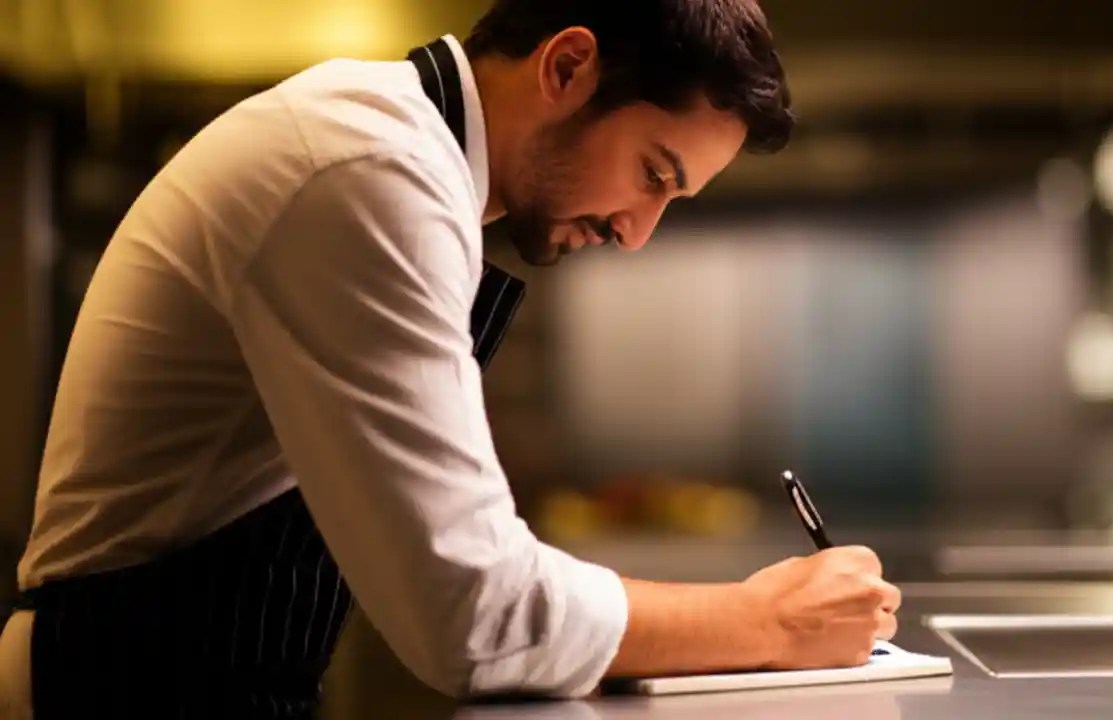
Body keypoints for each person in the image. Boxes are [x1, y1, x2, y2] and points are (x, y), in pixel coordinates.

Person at [0, 0, 900, 716]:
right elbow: (474, 614)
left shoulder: (400, 159)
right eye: (654, 174)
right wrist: (767, 620)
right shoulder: (370, 170)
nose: (637, 232)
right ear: (567, 67)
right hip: (119, 691)